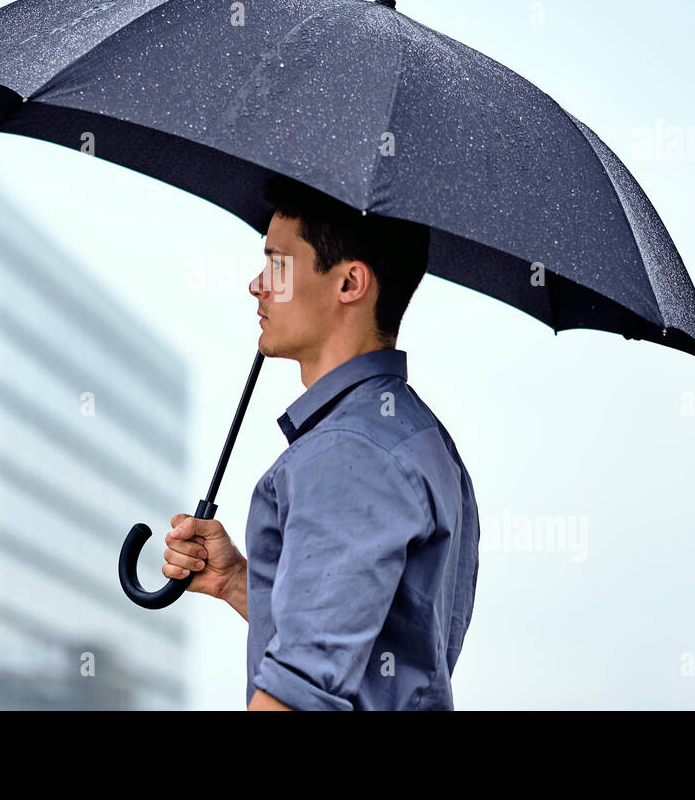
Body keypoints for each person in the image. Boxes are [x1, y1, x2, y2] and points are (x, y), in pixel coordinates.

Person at [162, 174, 480, 710]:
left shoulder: (351, 451)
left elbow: (301, 694)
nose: (256, 284)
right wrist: (241, 582)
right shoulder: (412, 436)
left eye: (278, 264)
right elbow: (381, 655)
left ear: (350, 283)